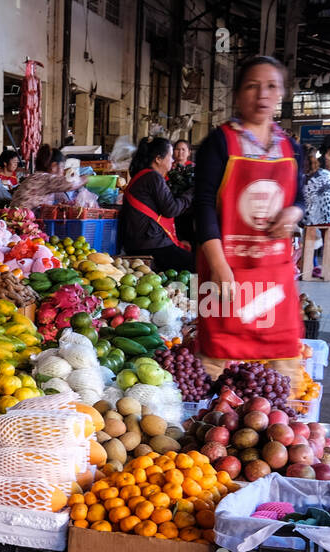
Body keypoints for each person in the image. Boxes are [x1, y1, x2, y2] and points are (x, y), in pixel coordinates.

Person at [193, 54, 306, 387]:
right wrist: (219, 266)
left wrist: (293, 212)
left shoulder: (290, 147)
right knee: (214, 363)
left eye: (271, 87)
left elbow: (300, 198)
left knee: (285, 364)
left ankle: (286, 431)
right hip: (225, 269)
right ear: (238, 94)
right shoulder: (220, 143)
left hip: (274, 274)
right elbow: (202, 208)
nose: (262, 95)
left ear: (282, 94)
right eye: (253, 86)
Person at [119, 136, 194, 271]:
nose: (172, 160)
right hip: (150, 244)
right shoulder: (153, 177)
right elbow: (171, 209)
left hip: (139, 241)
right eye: (170, 156)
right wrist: (191, 193)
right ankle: (195, 293)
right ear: (158, 159)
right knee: (195, 265)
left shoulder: (143, 176)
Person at [302, 143, 330, 279]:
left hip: (312, 221)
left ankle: (311, 266)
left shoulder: (302, 178)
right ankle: (323, 269)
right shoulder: (327, 173)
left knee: (302, 225)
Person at [9, 147, 98, 210]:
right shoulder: (45, 178)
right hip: (22, 221)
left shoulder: (38, 177)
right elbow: (70, 183)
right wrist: (87, 178)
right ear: (54, 166)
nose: (63, 171)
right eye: (62, 166)